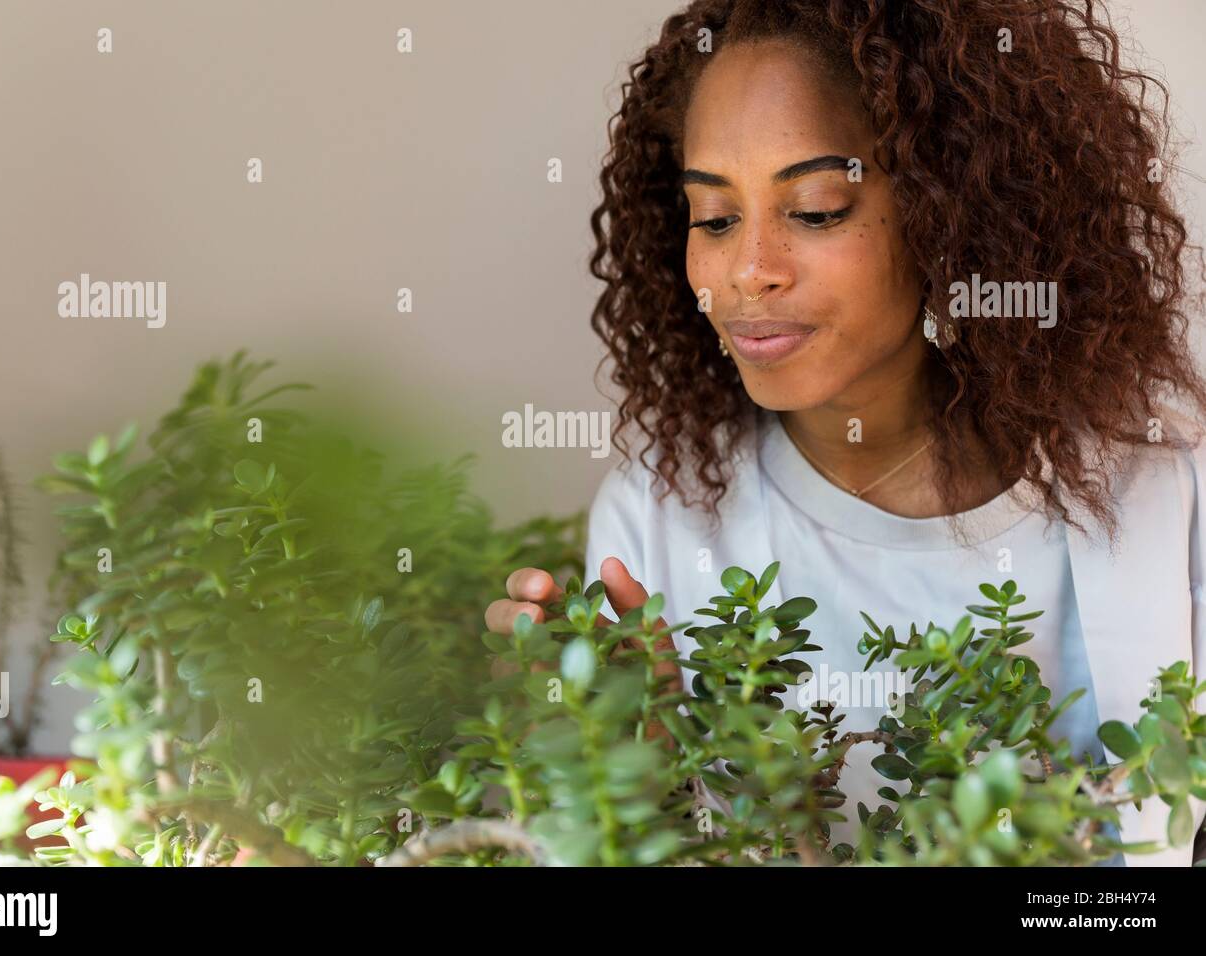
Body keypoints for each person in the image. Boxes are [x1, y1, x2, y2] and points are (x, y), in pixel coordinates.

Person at [486, 0, 1206, 865]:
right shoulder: (661, 517)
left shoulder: (1164, 486)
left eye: (818, 209)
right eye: (714, 218)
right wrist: (629, 774)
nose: (749, 271)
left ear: (953, 211)